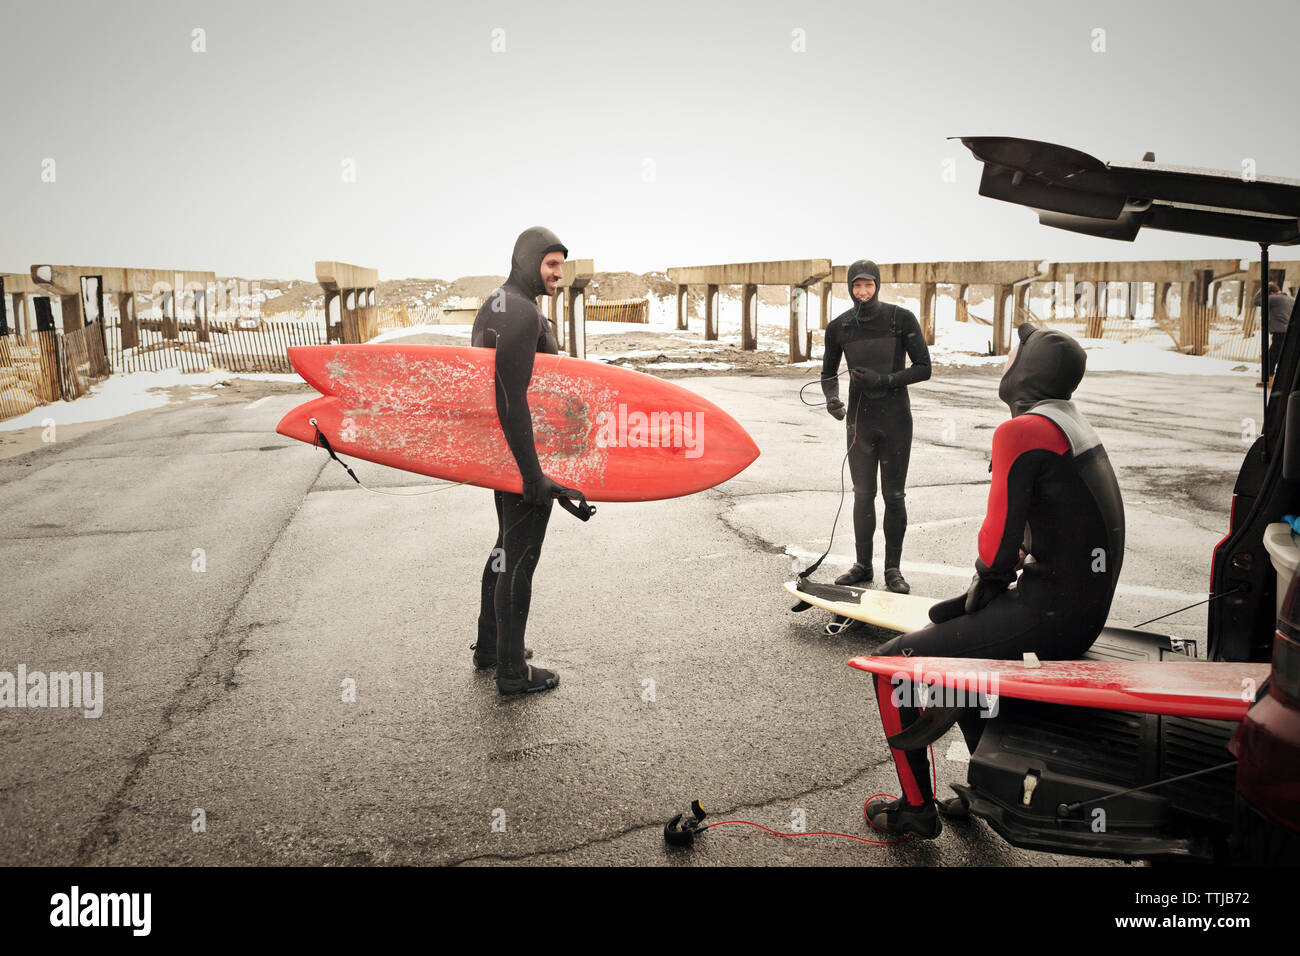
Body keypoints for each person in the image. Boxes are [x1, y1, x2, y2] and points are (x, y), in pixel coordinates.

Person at [863, 322, 1125, 838]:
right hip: (1077, 610)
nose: (1005, 363)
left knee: (892, 664)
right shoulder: (1068, 422)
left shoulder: (1022, 431)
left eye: (1013, 355)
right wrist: (981, 592)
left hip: (1048, 614)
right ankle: (988, 793)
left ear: (1029, 369)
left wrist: (987, 580)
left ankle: (915, 811)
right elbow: (1047, 526)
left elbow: (998, 547)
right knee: (964, 652)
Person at [470, 226, 571, 695]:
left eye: (561, 266)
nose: (558, 275)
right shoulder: (521, 313)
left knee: (504, 547)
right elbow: (511, 399)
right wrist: (534, 474)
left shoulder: (497, 303)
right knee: (520, 558)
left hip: (504, 452)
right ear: (528, 261)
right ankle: (512, 671)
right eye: (551, 264)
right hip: (523, 455)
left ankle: (491, 646)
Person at [821, 260, 931, 594]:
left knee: (894, 496)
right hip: (859, 420)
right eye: (857, 286)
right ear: (849, 287)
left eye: (868, 285)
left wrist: (885, 379)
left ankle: (893, 570)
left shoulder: (901, 319)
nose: (863, 292)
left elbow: (924, 368)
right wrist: (832, 400)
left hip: (896, 418)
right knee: (862, 495)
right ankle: (862, 564)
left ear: (878, 285)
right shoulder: (839, 327)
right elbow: (828, 373)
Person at [1253, 282, 1296, 381]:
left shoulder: (1274, 298)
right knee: (1282, 354)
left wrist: (1263, 288)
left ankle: (1270, 377)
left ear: (1271, 293)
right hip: (1289, 332)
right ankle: (1280, 377)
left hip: (1279, 332)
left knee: (1272, 355)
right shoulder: (1291, 299)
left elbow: (1256, 301)